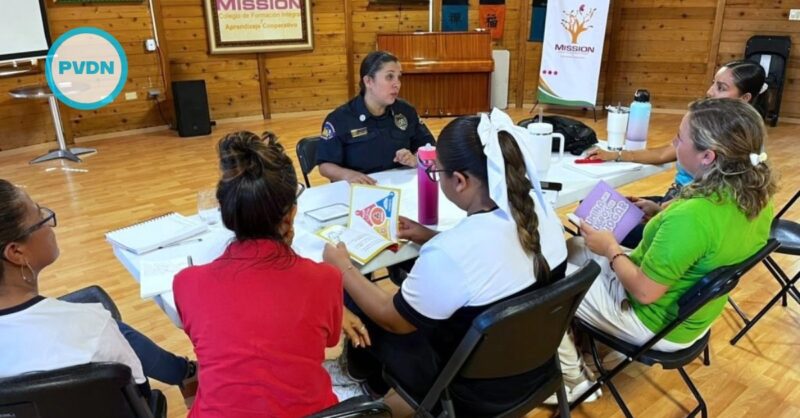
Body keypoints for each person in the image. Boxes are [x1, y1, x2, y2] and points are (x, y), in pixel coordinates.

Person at [322, 109, 569, 417]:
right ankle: (370, 385)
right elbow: (489, 255)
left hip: (467, 389)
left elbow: (391, 319)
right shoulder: (544, 215)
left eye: (437, 173)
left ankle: (367, 387)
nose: (436, 179)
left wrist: (341, 266)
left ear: (461, 181)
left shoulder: (452, 255)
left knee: (358, 300)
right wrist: (432, 236)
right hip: (533, 363)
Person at [556, 98, 777, 403]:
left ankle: (574, 377)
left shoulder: (692, 218)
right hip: (693, 318)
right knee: (576, 247)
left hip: (653, 322)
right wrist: (658, 210)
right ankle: (585, 343)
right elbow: (703, 238)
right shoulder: (755, 197)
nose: (674, 142)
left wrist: (610, 249)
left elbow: (645, 293)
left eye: (679, 137)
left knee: (547, 279)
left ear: (708, 156)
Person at [173, 131, 348, 417]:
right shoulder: (326, 279)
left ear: (226, 212)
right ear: (290, 216)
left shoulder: (186, 283)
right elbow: (329, 342)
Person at [0, 179, 196, 398]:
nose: (50, 225)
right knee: (102, 323)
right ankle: (186, 374)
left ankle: (184, 372)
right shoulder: (93, 325)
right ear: (16, 252)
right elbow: (140, 394)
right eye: (41, 217)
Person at [586, 60, 767, 247]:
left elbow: (706, 201)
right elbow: (666, 153)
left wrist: (665, 211)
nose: (710, 92)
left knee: (592, 218)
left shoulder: (733, 142)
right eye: (713, 83)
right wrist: (617, 155)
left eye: (721, 87)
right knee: (594, 206)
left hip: (684, 210)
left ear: (745, 98)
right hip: (677, 202)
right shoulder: (716, 126)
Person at [316, 50, 435, 185]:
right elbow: (325, 165)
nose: (397, 84)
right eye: (389, 77)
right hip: (360, 189)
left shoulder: (406, 111)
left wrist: (415, 158)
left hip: (400, 186)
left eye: (399, 77)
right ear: (368, 81)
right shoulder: (340, 119)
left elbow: (429, 146)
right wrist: (347, 175)